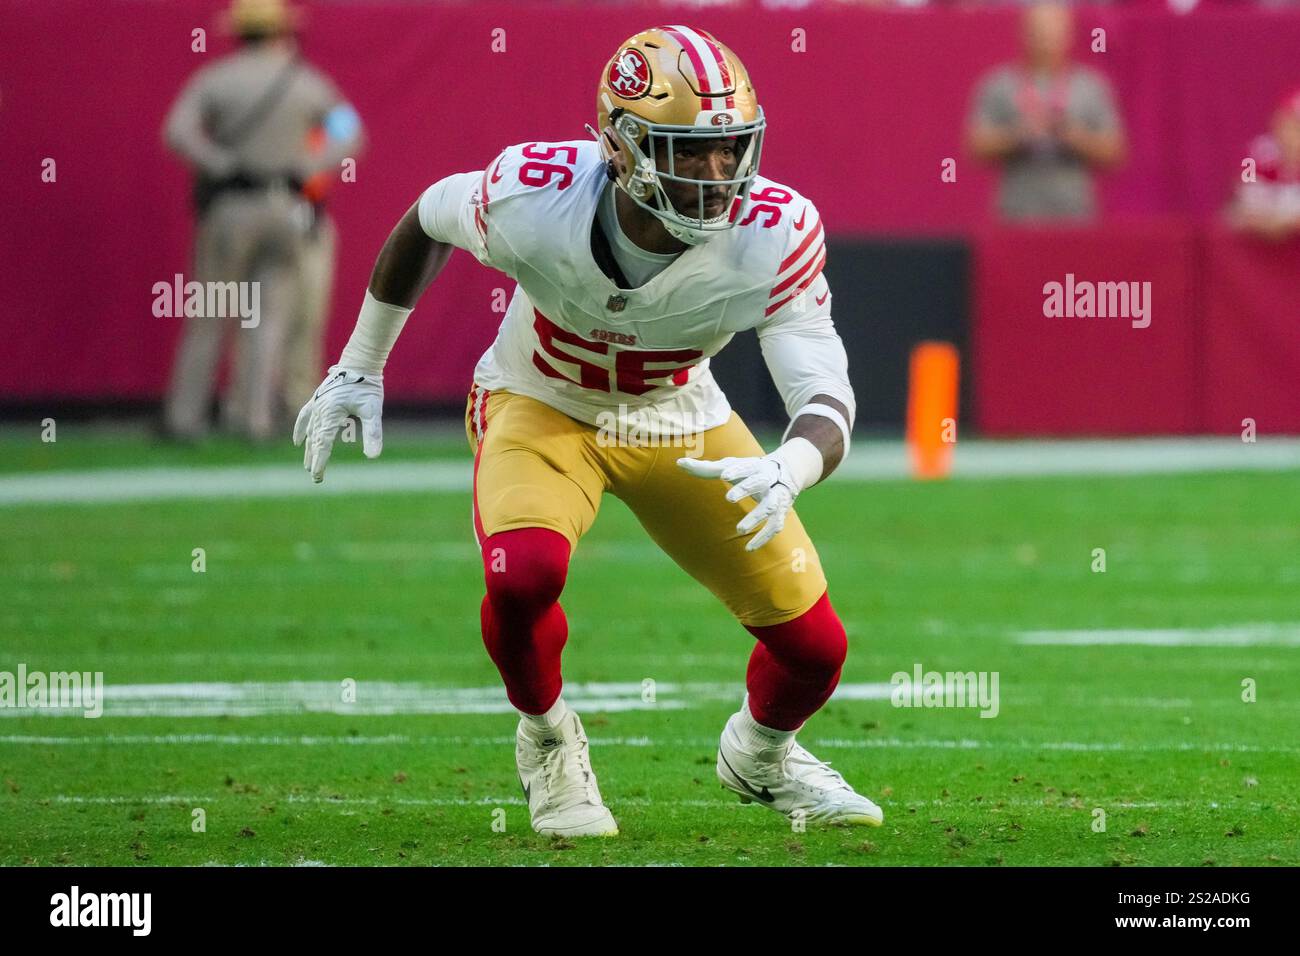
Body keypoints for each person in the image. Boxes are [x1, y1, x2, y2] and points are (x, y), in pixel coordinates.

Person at [293, 26, 878, 836]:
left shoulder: (774, 232)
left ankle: (761, 756)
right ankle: (547, 740)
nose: (718, 176)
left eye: (730, 148)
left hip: (677, 416)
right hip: (541, 401)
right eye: (688, 151)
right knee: (523, 574)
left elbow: (825, 391)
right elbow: (428, 218)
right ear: (624, 146)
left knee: (816, 652)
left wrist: (794, 464)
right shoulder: (536, 197)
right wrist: (361, 362)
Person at [162, 0, 363, 442]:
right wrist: (308, 166)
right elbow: (351, 132)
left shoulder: (217, 79)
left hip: (232, 206)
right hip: (284, 208)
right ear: (281, 32)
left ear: (238, 32)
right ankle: (254, 419)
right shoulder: (306, 82)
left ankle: (185, 418)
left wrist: (218, 162)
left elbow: (177, 131)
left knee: (212, 314)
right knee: (269, 318)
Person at [965, 1, 1125, 222]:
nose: (1046, 39)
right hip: (1016, 213)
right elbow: (976, 146)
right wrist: (1018, 134)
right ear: (1023, 33)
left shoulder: (1091, 87)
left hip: (1074, 213)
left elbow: (1115, 151)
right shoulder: (998, 84)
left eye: (1053, 31)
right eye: (1038, 31)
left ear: (1069, 34)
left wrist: (1073, 135)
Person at [1227, 88, 1300, 241]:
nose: (1290, 134)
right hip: (1257, 249)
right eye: (1286, 123)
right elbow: (1241, 202)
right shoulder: (1255, 155)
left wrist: (1288, 223)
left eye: (1296, 126)